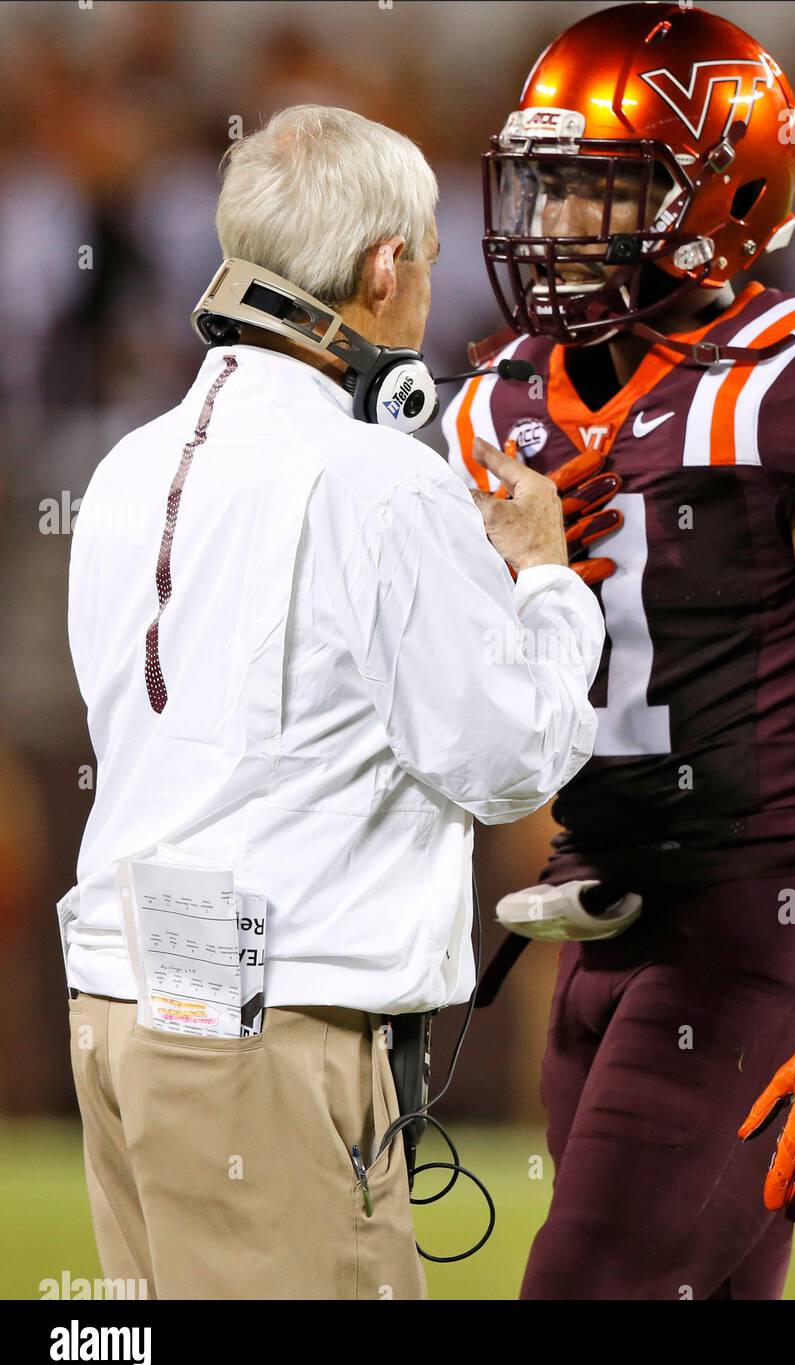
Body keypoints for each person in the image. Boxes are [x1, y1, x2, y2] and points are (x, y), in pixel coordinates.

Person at [442, 4, 795, 1300]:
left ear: (715, 193)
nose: (553, 225)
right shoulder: (499, 395)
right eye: (545, 186)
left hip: (758, 922)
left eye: (596, 192)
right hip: (592, 918)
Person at [59, 104, 605, 1300]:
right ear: (382, 266)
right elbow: (509, 756)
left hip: (116, 1006)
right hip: (272, 1033)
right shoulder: (375, 481)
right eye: (428, 262)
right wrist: (551, 583)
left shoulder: (122, 465)